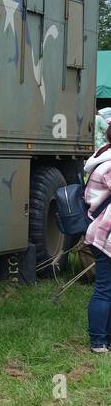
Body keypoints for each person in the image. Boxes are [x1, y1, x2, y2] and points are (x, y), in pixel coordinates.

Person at [83, 116, 111, 354]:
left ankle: (104, 339)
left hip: (100, 232)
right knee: (105, 288)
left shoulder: (102, 158)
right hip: (106, 236)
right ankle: (99, 341)